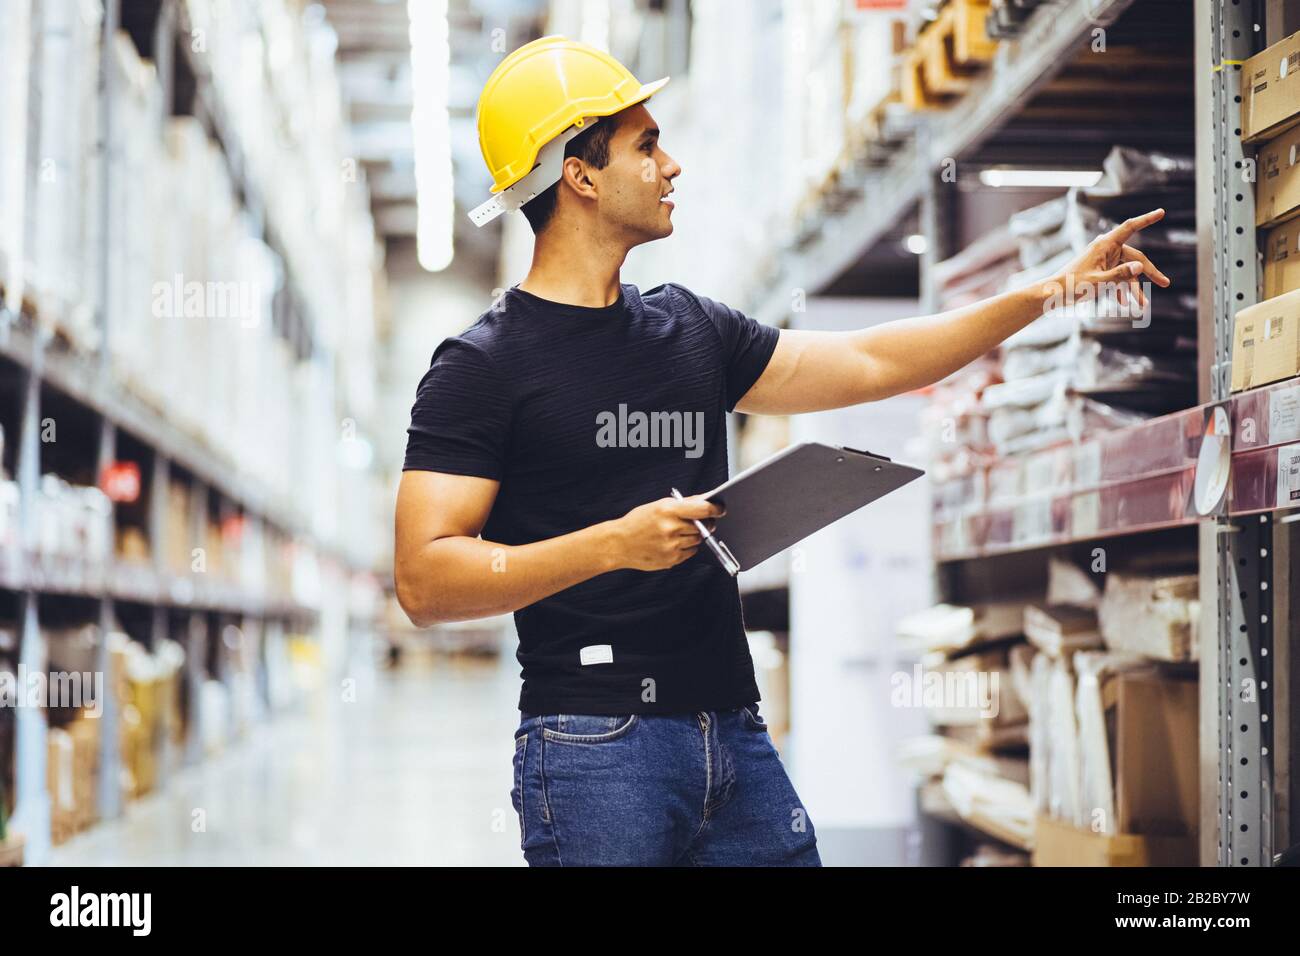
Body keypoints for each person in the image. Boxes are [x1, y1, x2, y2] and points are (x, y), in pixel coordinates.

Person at [393, 36, 1170, 867]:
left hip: (732, 727)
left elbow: (873, 360)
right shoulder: (481, 366)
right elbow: (424, 579)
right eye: (647, 146)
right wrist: (612, 546)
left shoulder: (691, 328)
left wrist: (1046, 291)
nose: (673, 165)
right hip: (593, 745)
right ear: (580, 176)